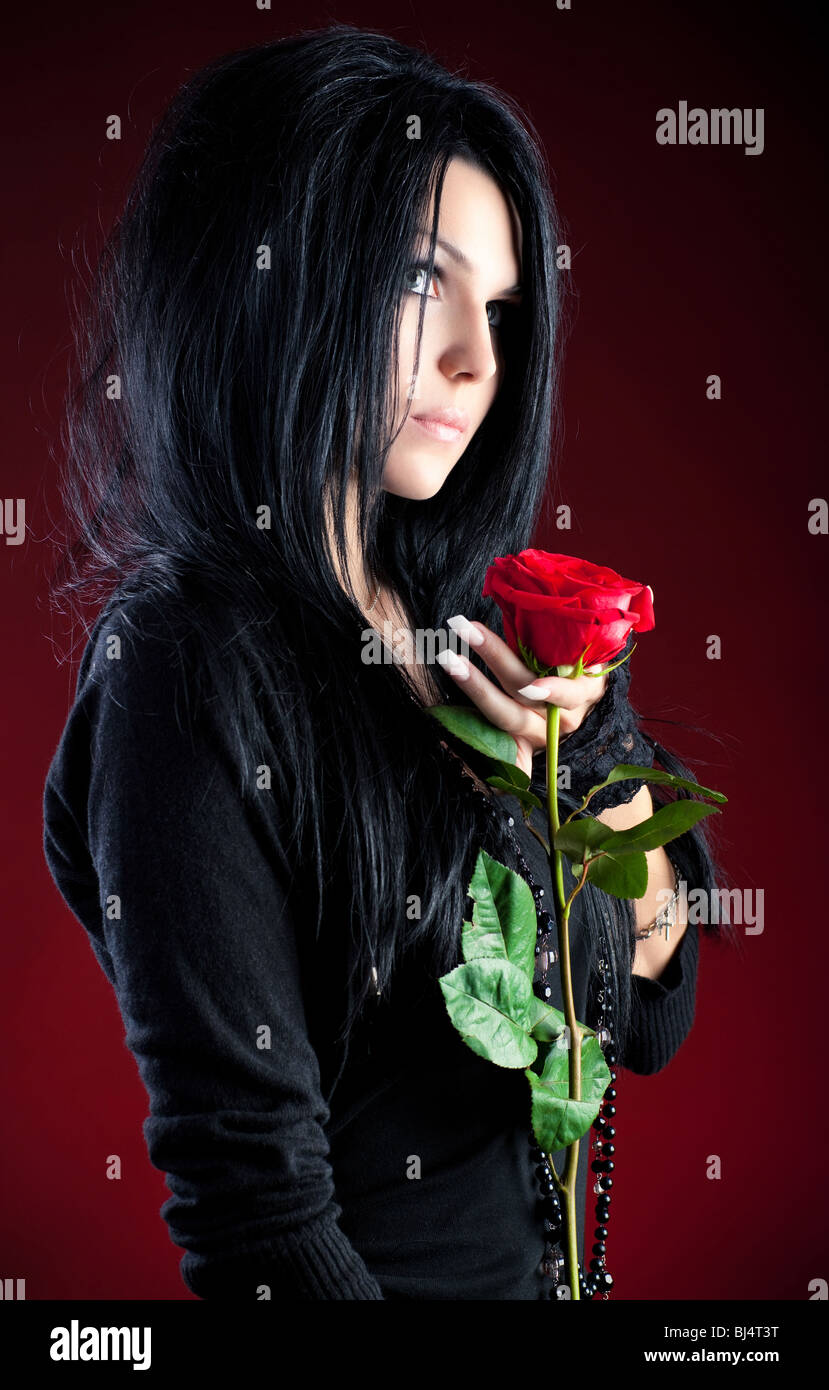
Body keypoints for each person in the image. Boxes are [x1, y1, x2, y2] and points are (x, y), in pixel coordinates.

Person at [42, 26, 728, 1300]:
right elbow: (258, 1220)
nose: (479, 359)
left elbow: (648, 1005)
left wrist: (582, 766)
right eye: (424, 279)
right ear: (270, 272)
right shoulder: (182, 668)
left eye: (504, 310)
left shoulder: (487, 629)